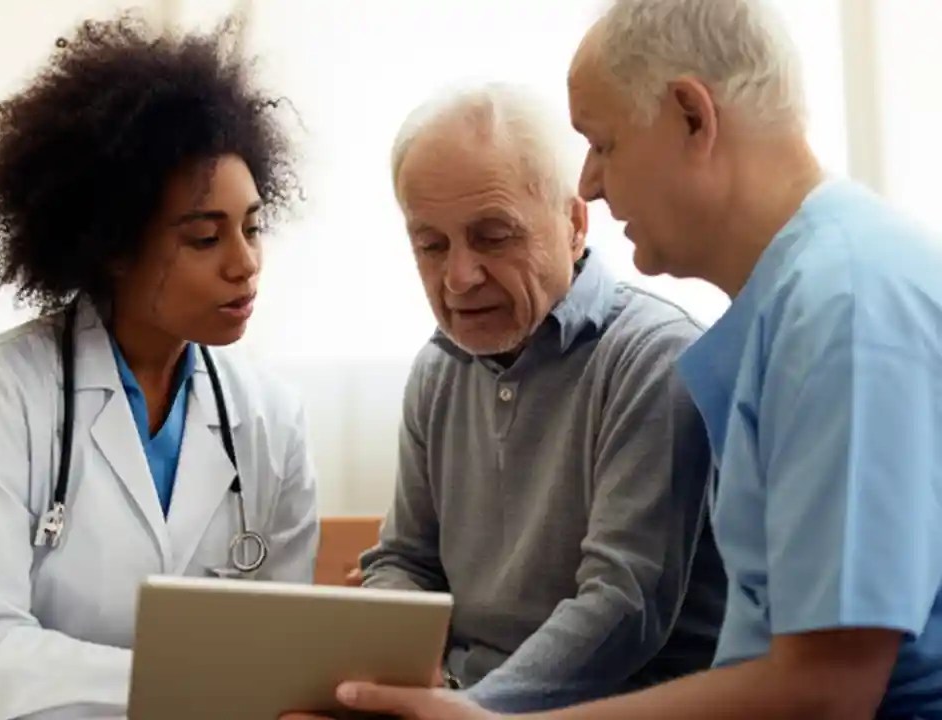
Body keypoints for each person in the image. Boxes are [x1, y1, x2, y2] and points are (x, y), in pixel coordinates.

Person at [286, 0, 942, 718]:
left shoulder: (840, 307)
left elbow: (824, 691)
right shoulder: (795, 304)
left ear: (693, 117)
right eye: (431, 244)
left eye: (603, 143)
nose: (591, 182)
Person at [0, 13, 317, 720]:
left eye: (253, 227)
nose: (245, 264)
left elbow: (276, 656)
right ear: (114, 245)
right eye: (205, 237)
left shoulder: (271, 421)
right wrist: (193, 683)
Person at [350, 83, 725, 713]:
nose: (459, 278)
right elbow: (405, 561)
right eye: (431, 245)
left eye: (493, 237)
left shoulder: (655, 357)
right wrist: (410, 679)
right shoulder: (438, 370)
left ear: (574, 223)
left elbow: (624, 604)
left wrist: (479, 709)